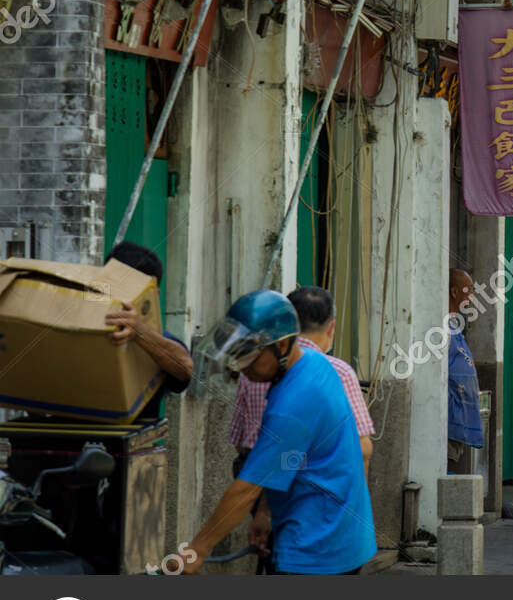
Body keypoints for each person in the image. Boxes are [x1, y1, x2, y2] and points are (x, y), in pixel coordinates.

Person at [184, 291, 376, 575]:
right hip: (338, 533)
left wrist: (197, 549)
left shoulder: (294, 403)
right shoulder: (315, 363)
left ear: (282, 345)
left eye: (248, 356)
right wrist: (265, 512)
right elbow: (284, 461)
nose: (241, 367)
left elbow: (246, 489)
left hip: (318, 544)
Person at [228, 287, 374, 477]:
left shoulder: (255, 368)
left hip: (259, 480)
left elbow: (240, 441)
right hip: (317, 489)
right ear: (331, 327)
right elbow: (362, 449)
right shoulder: (339, 372)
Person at [104, 242, 193, 420]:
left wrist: (139, 331)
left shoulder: (158, 338)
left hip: (129, 444)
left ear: (154, 295)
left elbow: (185, 368)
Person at [446, 269, 486, 474]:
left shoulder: (453, 323)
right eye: (468, 289)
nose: (472, 295)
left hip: (461, 411)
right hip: (450, 412)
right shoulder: (442, 325)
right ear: (454, 292)